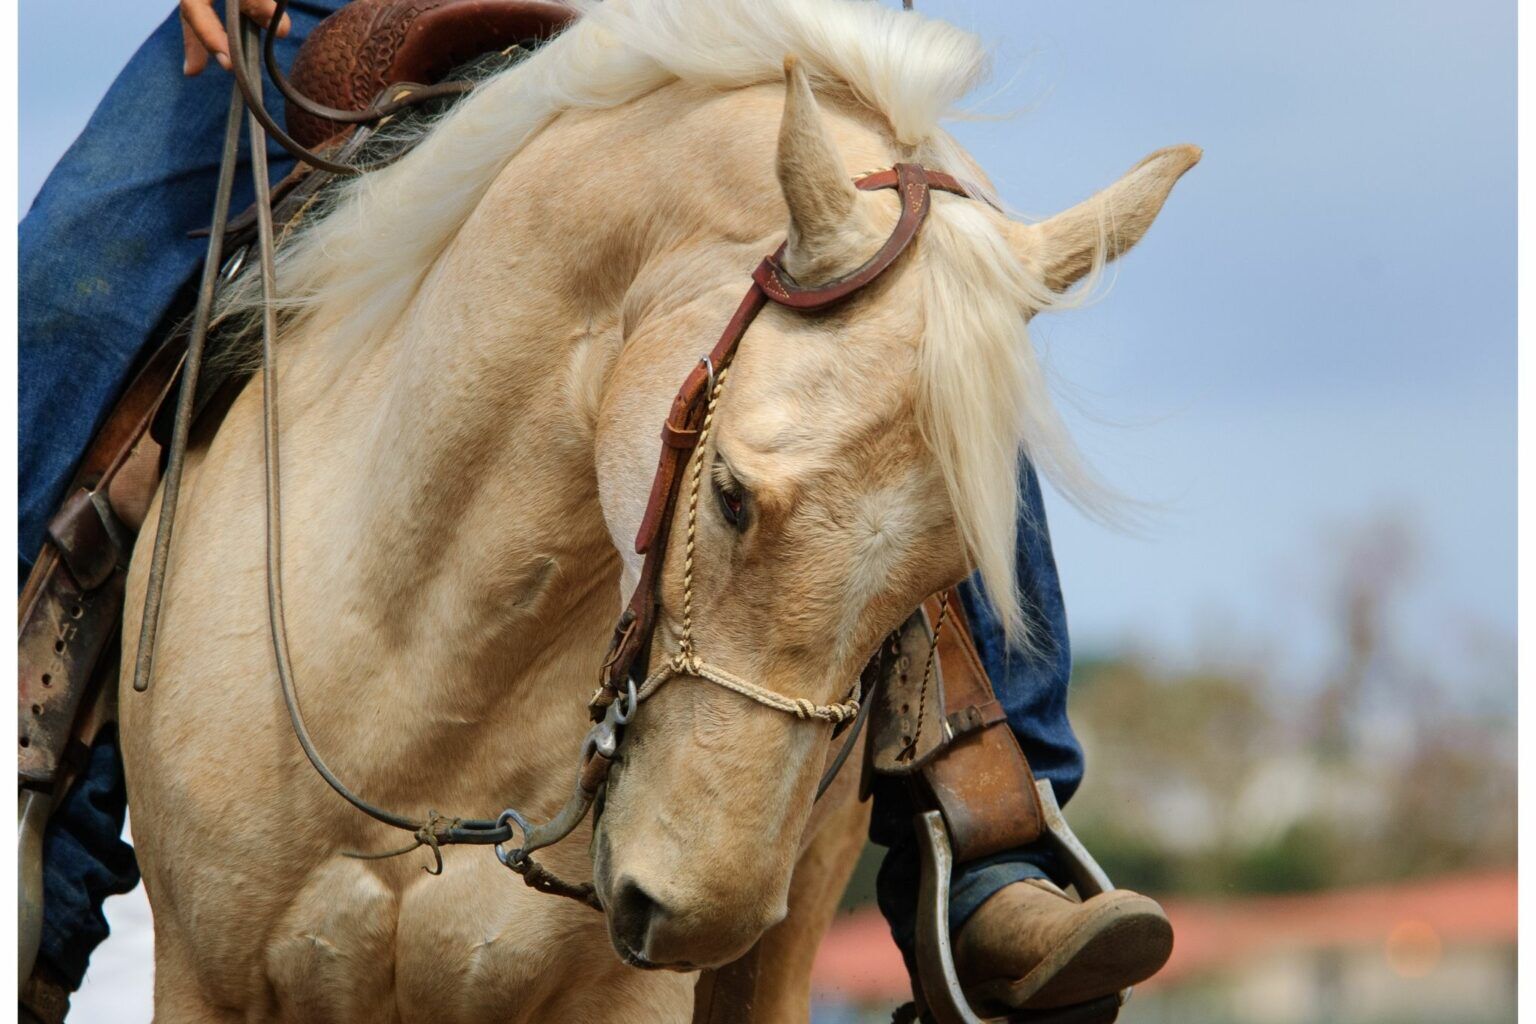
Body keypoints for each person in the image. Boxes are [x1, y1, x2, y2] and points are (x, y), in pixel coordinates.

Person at [19, 1, 1171, 1017]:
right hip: (331, 8)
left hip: (690, 19)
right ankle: (37, 839)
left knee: (941, 309)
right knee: (67, 288)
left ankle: (994, 839)